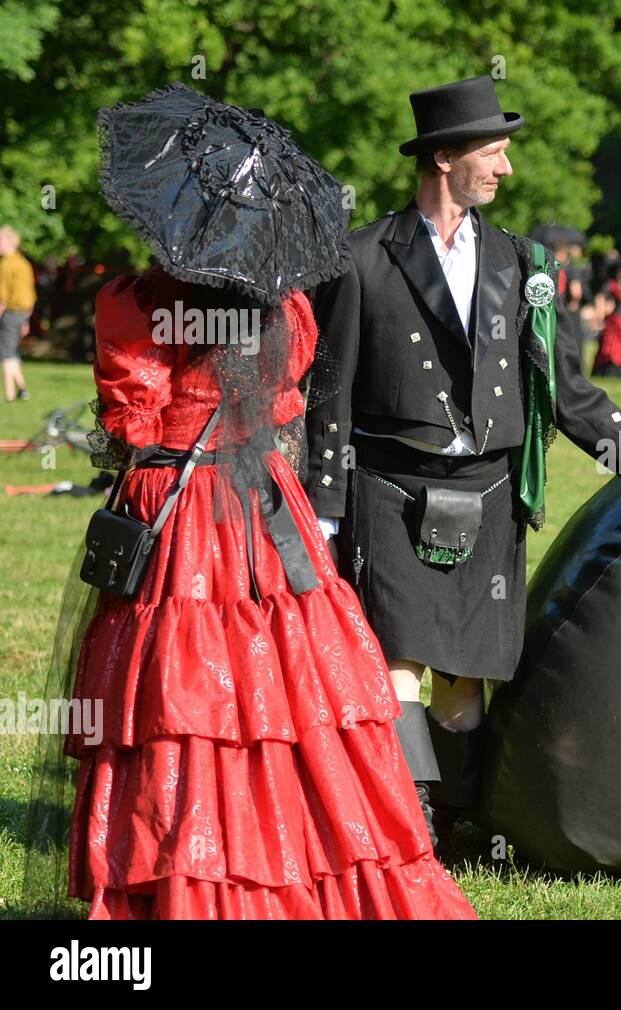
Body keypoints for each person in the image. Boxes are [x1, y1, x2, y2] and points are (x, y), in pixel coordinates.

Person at [26, 85, 476, 919]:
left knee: (177, 690)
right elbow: (284, 405)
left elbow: (132, 420)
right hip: (266, 503)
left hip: (179, 506)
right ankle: (302, 855)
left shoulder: (133, 299)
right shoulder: (286, 305)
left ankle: (183, 865)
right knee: (290, 686)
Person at [305, 76, 621, 859]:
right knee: (396, 668)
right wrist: (324, 511)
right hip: (390, 491)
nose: (505, 171)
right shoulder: (361, 258)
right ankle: (412, 828)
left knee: (463, 683)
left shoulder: (521, 262)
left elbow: (567, 395)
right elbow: (326, 393)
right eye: (492, 154)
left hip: (489, 494)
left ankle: (461, 822)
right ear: (442, 158)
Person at [0, 225, 36, 402]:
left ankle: (9, 395)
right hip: (23, 313)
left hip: (10, 313)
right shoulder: (24, 263)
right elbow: (31, 294)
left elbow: (3, 296)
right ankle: (22, 389)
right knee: (12, 351)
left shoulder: (7, 264)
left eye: (1, 240)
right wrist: (26, 320)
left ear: (9, 242)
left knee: (5, 353)